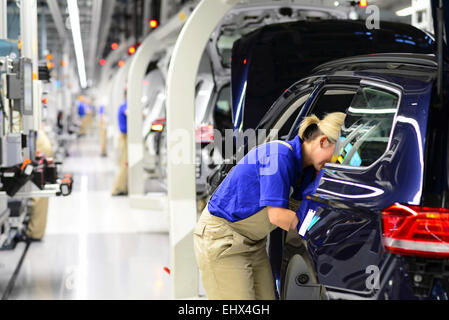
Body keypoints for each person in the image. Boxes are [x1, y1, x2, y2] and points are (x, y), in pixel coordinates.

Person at [193, 112, 346, 300]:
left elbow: (304, 214)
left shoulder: (307, 172)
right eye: (336, 156)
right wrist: (316, 232)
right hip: (223, 240)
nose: (334, 163)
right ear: (322, 141)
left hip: (254, 243)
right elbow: (278, 217)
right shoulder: (279, 156)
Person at [111, 92, 128, 196]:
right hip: (124, 137)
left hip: (125, 137)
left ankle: (123, 187)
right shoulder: (125, 106)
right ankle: (117, 188)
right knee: (123, 163)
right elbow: (130, 113)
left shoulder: (124, 106)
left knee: (125, 164)